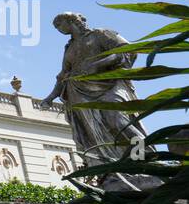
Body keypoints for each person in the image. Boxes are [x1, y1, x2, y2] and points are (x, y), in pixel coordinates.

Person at [42, 12, 156, 192]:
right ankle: (113, 173)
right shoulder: (69, 48)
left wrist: (99, 64)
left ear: (71, 21)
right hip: (80, 93)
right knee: (95, 134)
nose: (59, 30)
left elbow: (128, 50)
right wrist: (50, 97)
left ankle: (147, 161)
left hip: (109, 85)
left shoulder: (100, 34)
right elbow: (63, 75)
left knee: (120, 122)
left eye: (59, 25)